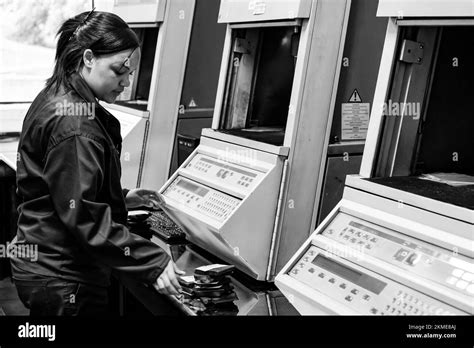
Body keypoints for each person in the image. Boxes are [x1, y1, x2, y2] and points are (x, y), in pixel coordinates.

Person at [10, 9, 183, 316]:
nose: (126, 82)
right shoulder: (75, 123)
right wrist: (153, 260)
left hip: (43, 263)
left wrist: (121, 198)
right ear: (88, 58)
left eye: (129, 72)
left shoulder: (57, 95)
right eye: (119, 70)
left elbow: (65, 190)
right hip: (63, 275)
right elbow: (85, 218)